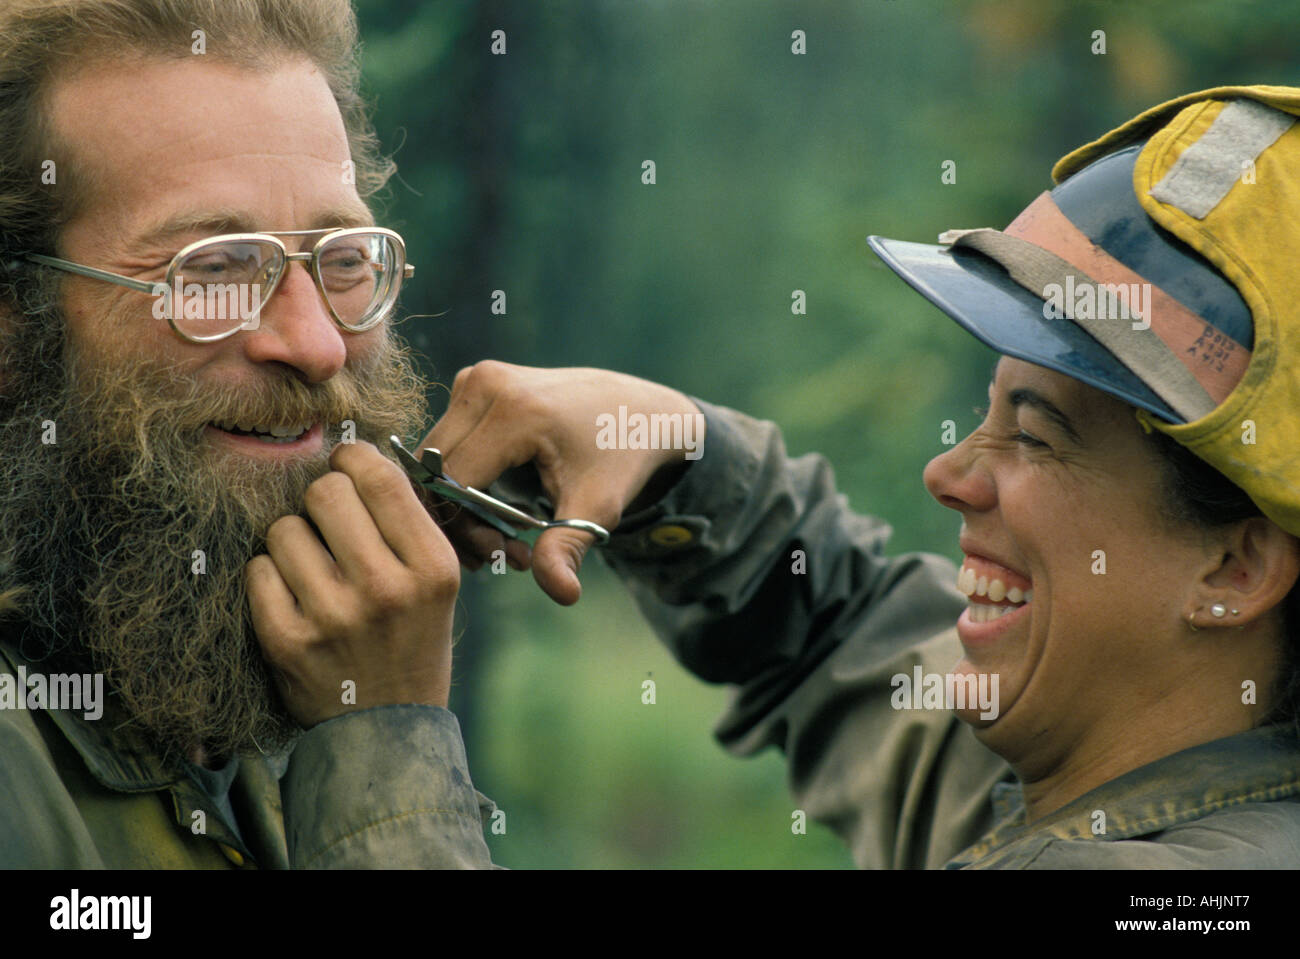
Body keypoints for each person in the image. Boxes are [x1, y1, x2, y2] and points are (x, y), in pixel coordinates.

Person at [426, 86, 1300, 867]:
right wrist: (673, 453)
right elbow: (834, 637)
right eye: (988, 412)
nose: (949, 472)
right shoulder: (1071, 766)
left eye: (1035, 436)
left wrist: (387, 741)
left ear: (1236, 568)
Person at [0, 0, 493, 868]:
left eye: (343, 259)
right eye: (215, 268)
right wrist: (385, 749)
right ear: (14, 318)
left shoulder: (192, 667)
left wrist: (690, 467)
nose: (315, 344)